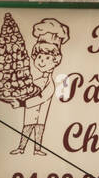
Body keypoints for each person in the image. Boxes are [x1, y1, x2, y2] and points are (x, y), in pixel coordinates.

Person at [8, 18, 70, 156]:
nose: (42, 61)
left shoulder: (50, 84)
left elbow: (41, 97)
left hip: (39, 112)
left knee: (39, 129)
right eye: (40, 57)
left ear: (56, 61)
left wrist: (22, 103)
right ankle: (21, 148)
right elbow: (28, 90)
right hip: (30, 112)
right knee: (26, 128)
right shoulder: (35, 79)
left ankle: (37, 149)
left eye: (47, 58)